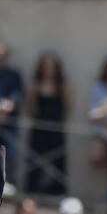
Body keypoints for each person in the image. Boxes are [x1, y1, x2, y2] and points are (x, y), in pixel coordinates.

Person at [25, 52, 69, 196]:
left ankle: (58, 193)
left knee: (58, 162)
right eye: (46, 66)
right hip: (38, 128)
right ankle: (31, 192)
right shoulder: (35, 85)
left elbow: (68, 107)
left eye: (52, 67)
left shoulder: (62, 86)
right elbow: (30, 108)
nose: (49, 70)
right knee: (34, 161)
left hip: (56, 128)